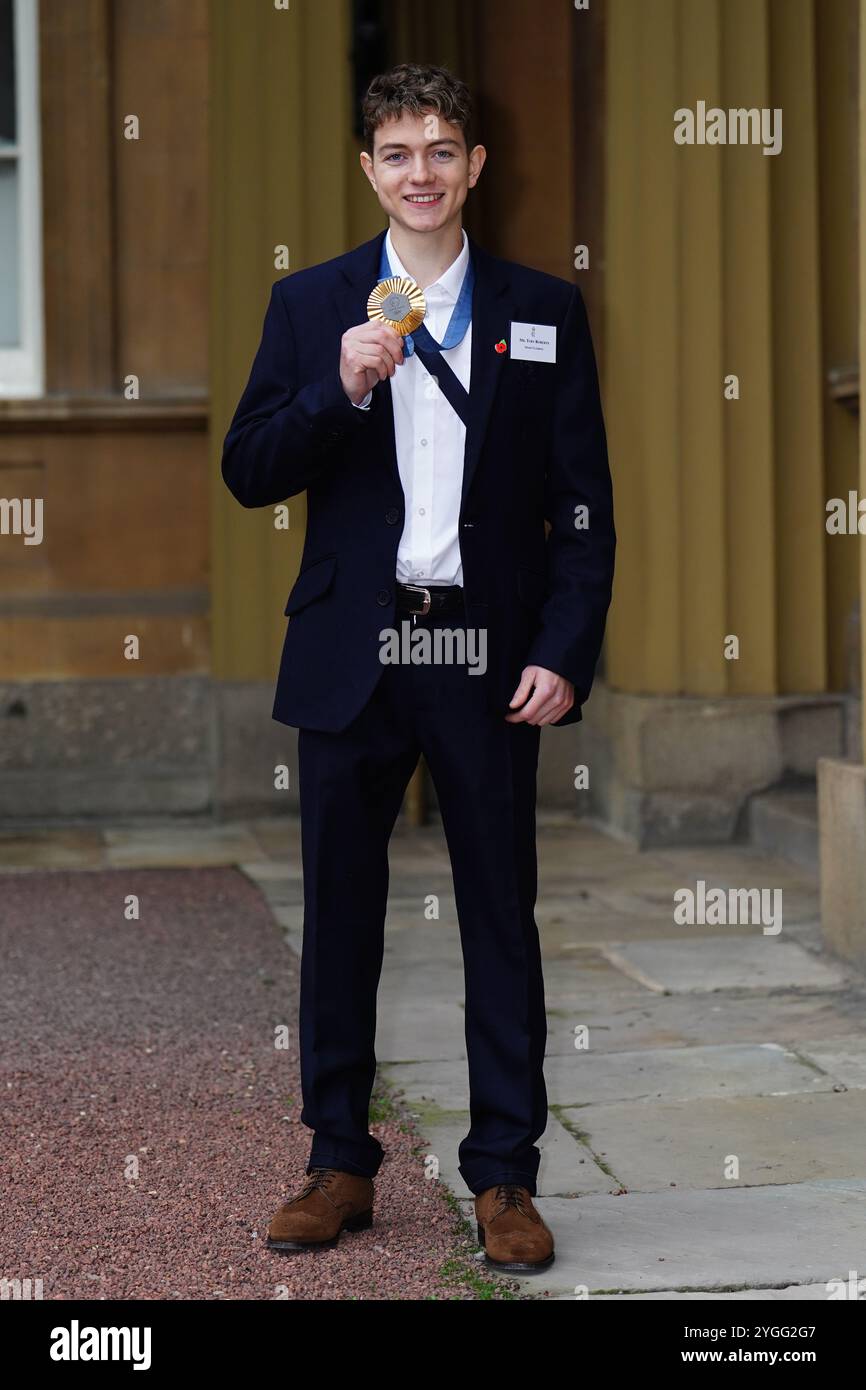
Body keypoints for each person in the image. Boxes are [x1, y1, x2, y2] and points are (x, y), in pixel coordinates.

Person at [221, 62, 615, 1274]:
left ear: (473, 166)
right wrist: (337, 387)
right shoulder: (311, 302)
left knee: (499, 913)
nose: (421, 173)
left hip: (483, 652)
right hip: (355, 645)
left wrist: (562, 649)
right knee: (341, 916)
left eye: (442, 150)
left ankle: (504, 1176)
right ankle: (337, 1162)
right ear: (368, 170)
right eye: (398, 154)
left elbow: (584, 507)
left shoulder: (540, 307)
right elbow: (248, 467)